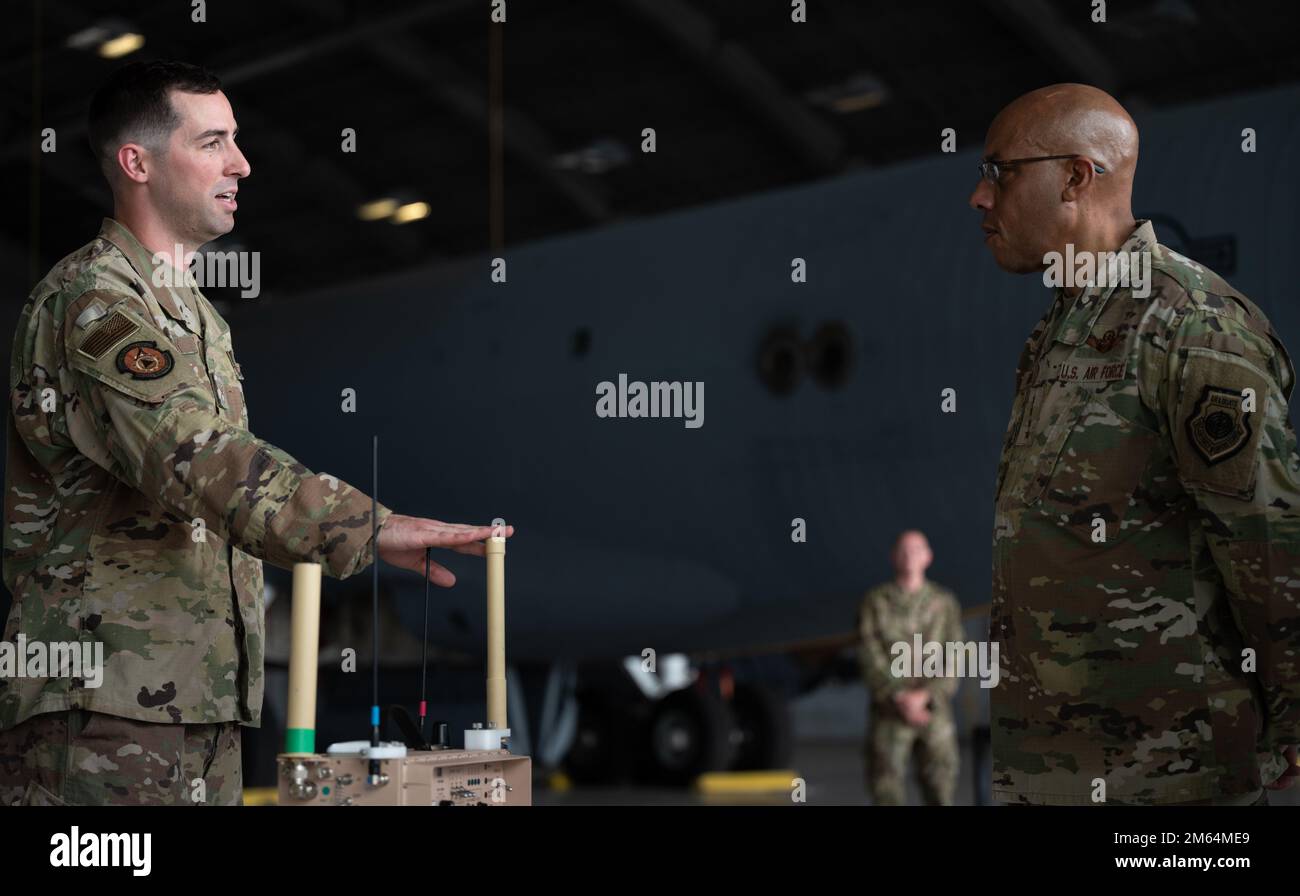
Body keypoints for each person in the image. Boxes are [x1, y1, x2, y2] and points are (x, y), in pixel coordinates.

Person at [0, 60, 511, 806]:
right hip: (102, 705)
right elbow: (197, 459)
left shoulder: (197, 317)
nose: (240, 163)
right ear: (137, 162)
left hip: (194, 700)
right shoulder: (93, 302)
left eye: (235, 141)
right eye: (212, 142)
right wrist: (371, 527)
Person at [970, 83, 1300, 805]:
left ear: (1075, 177)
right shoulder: (1058, 332)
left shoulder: (1194, 328)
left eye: (1001, 173)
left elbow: (1269, 543)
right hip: (1055, 770)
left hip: (1171, 779)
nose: (980, 198)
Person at [858, 530, 963, 805]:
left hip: (933, 711)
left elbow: (955, 654)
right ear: (893, 556)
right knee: (886, 786)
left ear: (928, 557)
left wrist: (926, 695)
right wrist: (899, 695)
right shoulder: (876, 602)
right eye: (903, 550)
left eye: (916, 550)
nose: (909, 556)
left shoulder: (944, 603)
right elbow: (869, 652)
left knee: (941, 786)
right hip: (890, 710)